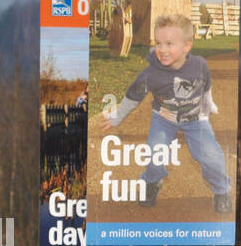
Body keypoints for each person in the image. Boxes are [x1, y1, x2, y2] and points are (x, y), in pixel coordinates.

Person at [99, 13, 232, 213]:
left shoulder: (199, 65)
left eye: (169, 44)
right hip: (164, 117)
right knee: (155, 152)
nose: (162, 50)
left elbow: (206, 85)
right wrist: (117, 118)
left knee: (210, 155)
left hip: (195, 118)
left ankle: (221, 190)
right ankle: (152, 182)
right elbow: (133, 96)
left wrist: (209, 104)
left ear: (187, 46)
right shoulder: (151, 74)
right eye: (159, 43)